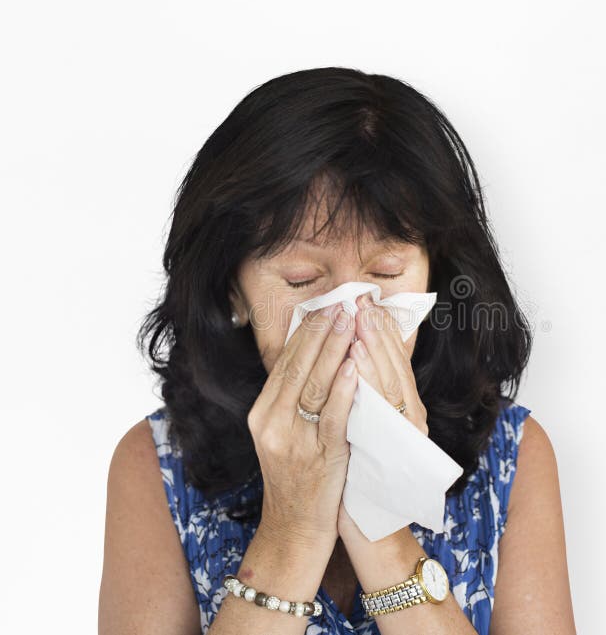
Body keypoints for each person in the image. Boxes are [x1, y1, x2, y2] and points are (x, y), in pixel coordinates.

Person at [98, 67, 577, 635]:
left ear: (432, 278)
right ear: (234, 291)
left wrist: (382, 513)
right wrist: (292, 529)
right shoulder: (155, 464)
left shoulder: (514, 455)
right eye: (302, 280)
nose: (351, 315)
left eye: (386, 273)